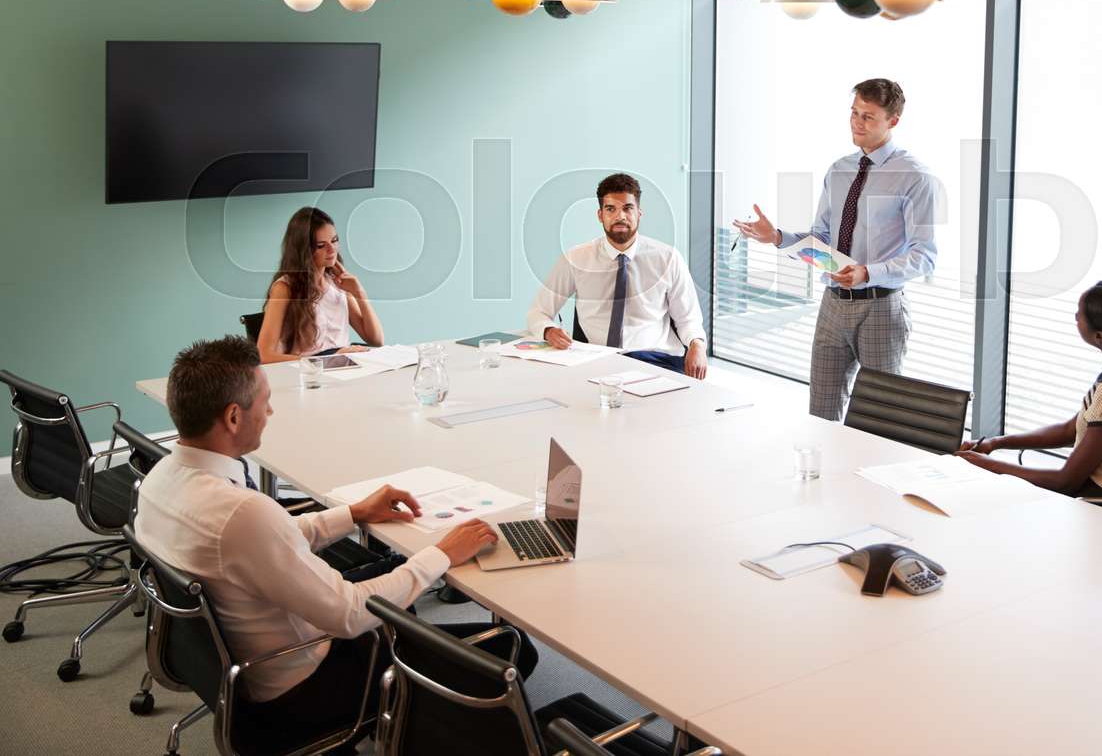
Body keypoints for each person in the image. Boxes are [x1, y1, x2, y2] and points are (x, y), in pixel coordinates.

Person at [133, 336, 535, 740]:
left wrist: (354, 513)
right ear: (234, 417)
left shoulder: (160, 480)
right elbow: (350, 615)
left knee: (396, 573)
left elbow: (269, 538)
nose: (270, 411)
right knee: (513, 648)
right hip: (301, 690)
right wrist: (442, 553)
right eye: (265, 401)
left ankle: (403, 722)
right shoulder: (242, 514)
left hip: (242, 665)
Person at [733, 78, 940, 420]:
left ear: (893, 121)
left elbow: (925, 255)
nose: (857, 122)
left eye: (868, 116)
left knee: (879, 418)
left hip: (880, 308)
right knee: (820, 414)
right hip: (832, 305)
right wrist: (777, 237)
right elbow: (822, 238)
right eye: (854, 113)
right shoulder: (840, 170)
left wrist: (867, 272)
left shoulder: (914, 176)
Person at [956, 281, 1102, 499]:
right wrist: (996, 443)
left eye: (1080, 313)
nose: (1076, 316)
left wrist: (989, 466)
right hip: (1092, 497)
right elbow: (1070, 430)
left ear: (1100, 336)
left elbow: (1065, 481)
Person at [528, 173, 708, 378]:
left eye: (628, 208)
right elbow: (538, 313)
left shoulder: (668, 259)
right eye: (610, 209)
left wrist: (697, 345)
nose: (620, 216)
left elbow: (688, 319)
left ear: (639, 213)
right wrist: (548, 331)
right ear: (600, 215)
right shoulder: (576, 259)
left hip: (656, 361)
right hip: (597, 361)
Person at [257, 206, 384, 365]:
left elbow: (376, 340)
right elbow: (264, 355)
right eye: (321, 245)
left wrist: (359, 292)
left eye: (334, 240)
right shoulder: (285, 288)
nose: (332, 250)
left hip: (342, 368)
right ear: (304, 250)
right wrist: (329, 359)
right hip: (308, 372)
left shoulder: (338, 283)